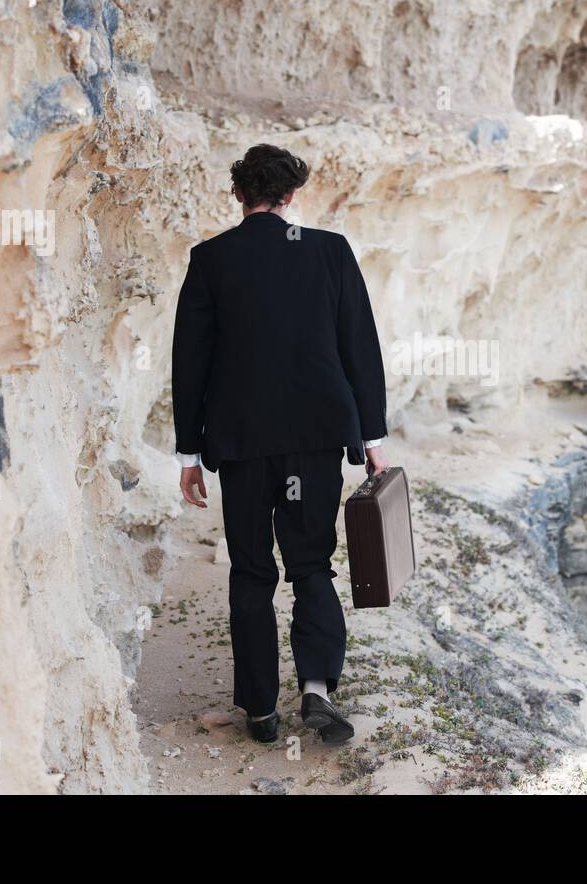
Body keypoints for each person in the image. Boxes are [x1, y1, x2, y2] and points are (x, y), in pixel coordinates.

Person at [171, 143, 388, 744]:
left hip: (241, 442)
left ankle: (261, 710)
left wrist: (190, 453)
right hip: (317, 437)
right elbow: (359, 348)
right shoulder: (328, 251)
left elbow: (190, 362)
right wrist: (371, 437)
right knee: (311, 564)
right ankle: (316, 687)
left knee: (250, 571)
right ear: (291, 196)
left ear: (239, 195)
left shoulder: (210, 259)